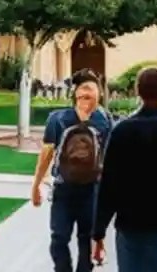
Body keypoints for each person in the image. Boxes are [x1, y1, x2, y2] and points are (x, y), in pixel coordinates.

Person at [93, 67, 157, 272]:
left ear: (137, 91)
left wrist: (98, 232)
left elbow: (109, 185)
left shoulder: (122, 131)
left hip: (130, 224)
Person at [32, 70, 111, 272]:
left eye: (92, 89)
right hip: (63, 188)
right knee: (59, 237)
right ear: (75, 93)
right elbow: (47, 153)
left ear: (99, 94)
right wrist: (36, 184)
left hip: (92, 189)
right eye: (83, 88)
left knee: (87, 240)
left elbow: (109, 159)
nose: (87, 93)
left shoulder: (105, 121)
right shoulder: (58, 119)